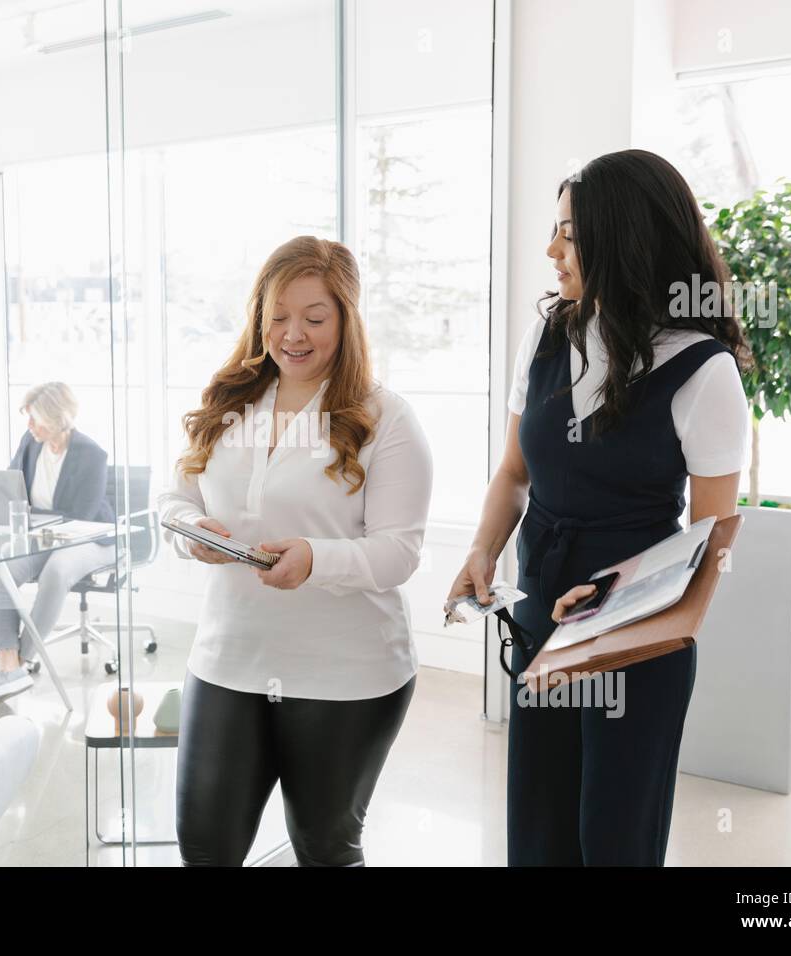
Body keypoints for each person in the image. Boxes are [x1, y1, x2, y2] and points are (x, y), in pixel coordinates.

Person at [448, 149, 751, 865]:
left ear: (626, 240)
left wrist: (613, 593)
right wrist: (482, 551)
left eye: (570, 235)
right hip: (541, 615)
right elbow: (515, 473)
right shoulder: (547, 337)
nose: (551, 251)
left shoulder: (703, 371)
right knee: (540, 830)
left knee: (613, 838)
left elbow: (712, 543)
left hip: (637, 633)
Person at [159, 235, 433, 866]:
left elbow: (398, 553)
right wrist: (191, 534)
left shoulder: (384, 417)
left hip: (345, 672)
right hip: (229, 657)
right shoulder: (230, 400)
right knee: (204, 845)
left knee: (324, 848)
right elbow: (174, 500)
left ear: (348, 319)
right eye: (278, 316)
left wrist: (316, 559)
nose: (294, 335)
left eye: (316, 317)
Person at [0, 381, 115, 705]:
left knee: (57, 571)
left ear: (57, 419)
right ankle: (7, 663)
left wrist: (34, 514)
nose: (29, 426)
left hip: (89, 536)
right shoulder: (30, 442)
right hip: (44, 534)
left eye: (35, 419)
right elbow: (10, 487)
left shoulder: (91, 454)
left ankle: (16, 666)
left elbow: (79, 515)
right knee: (3, 565)